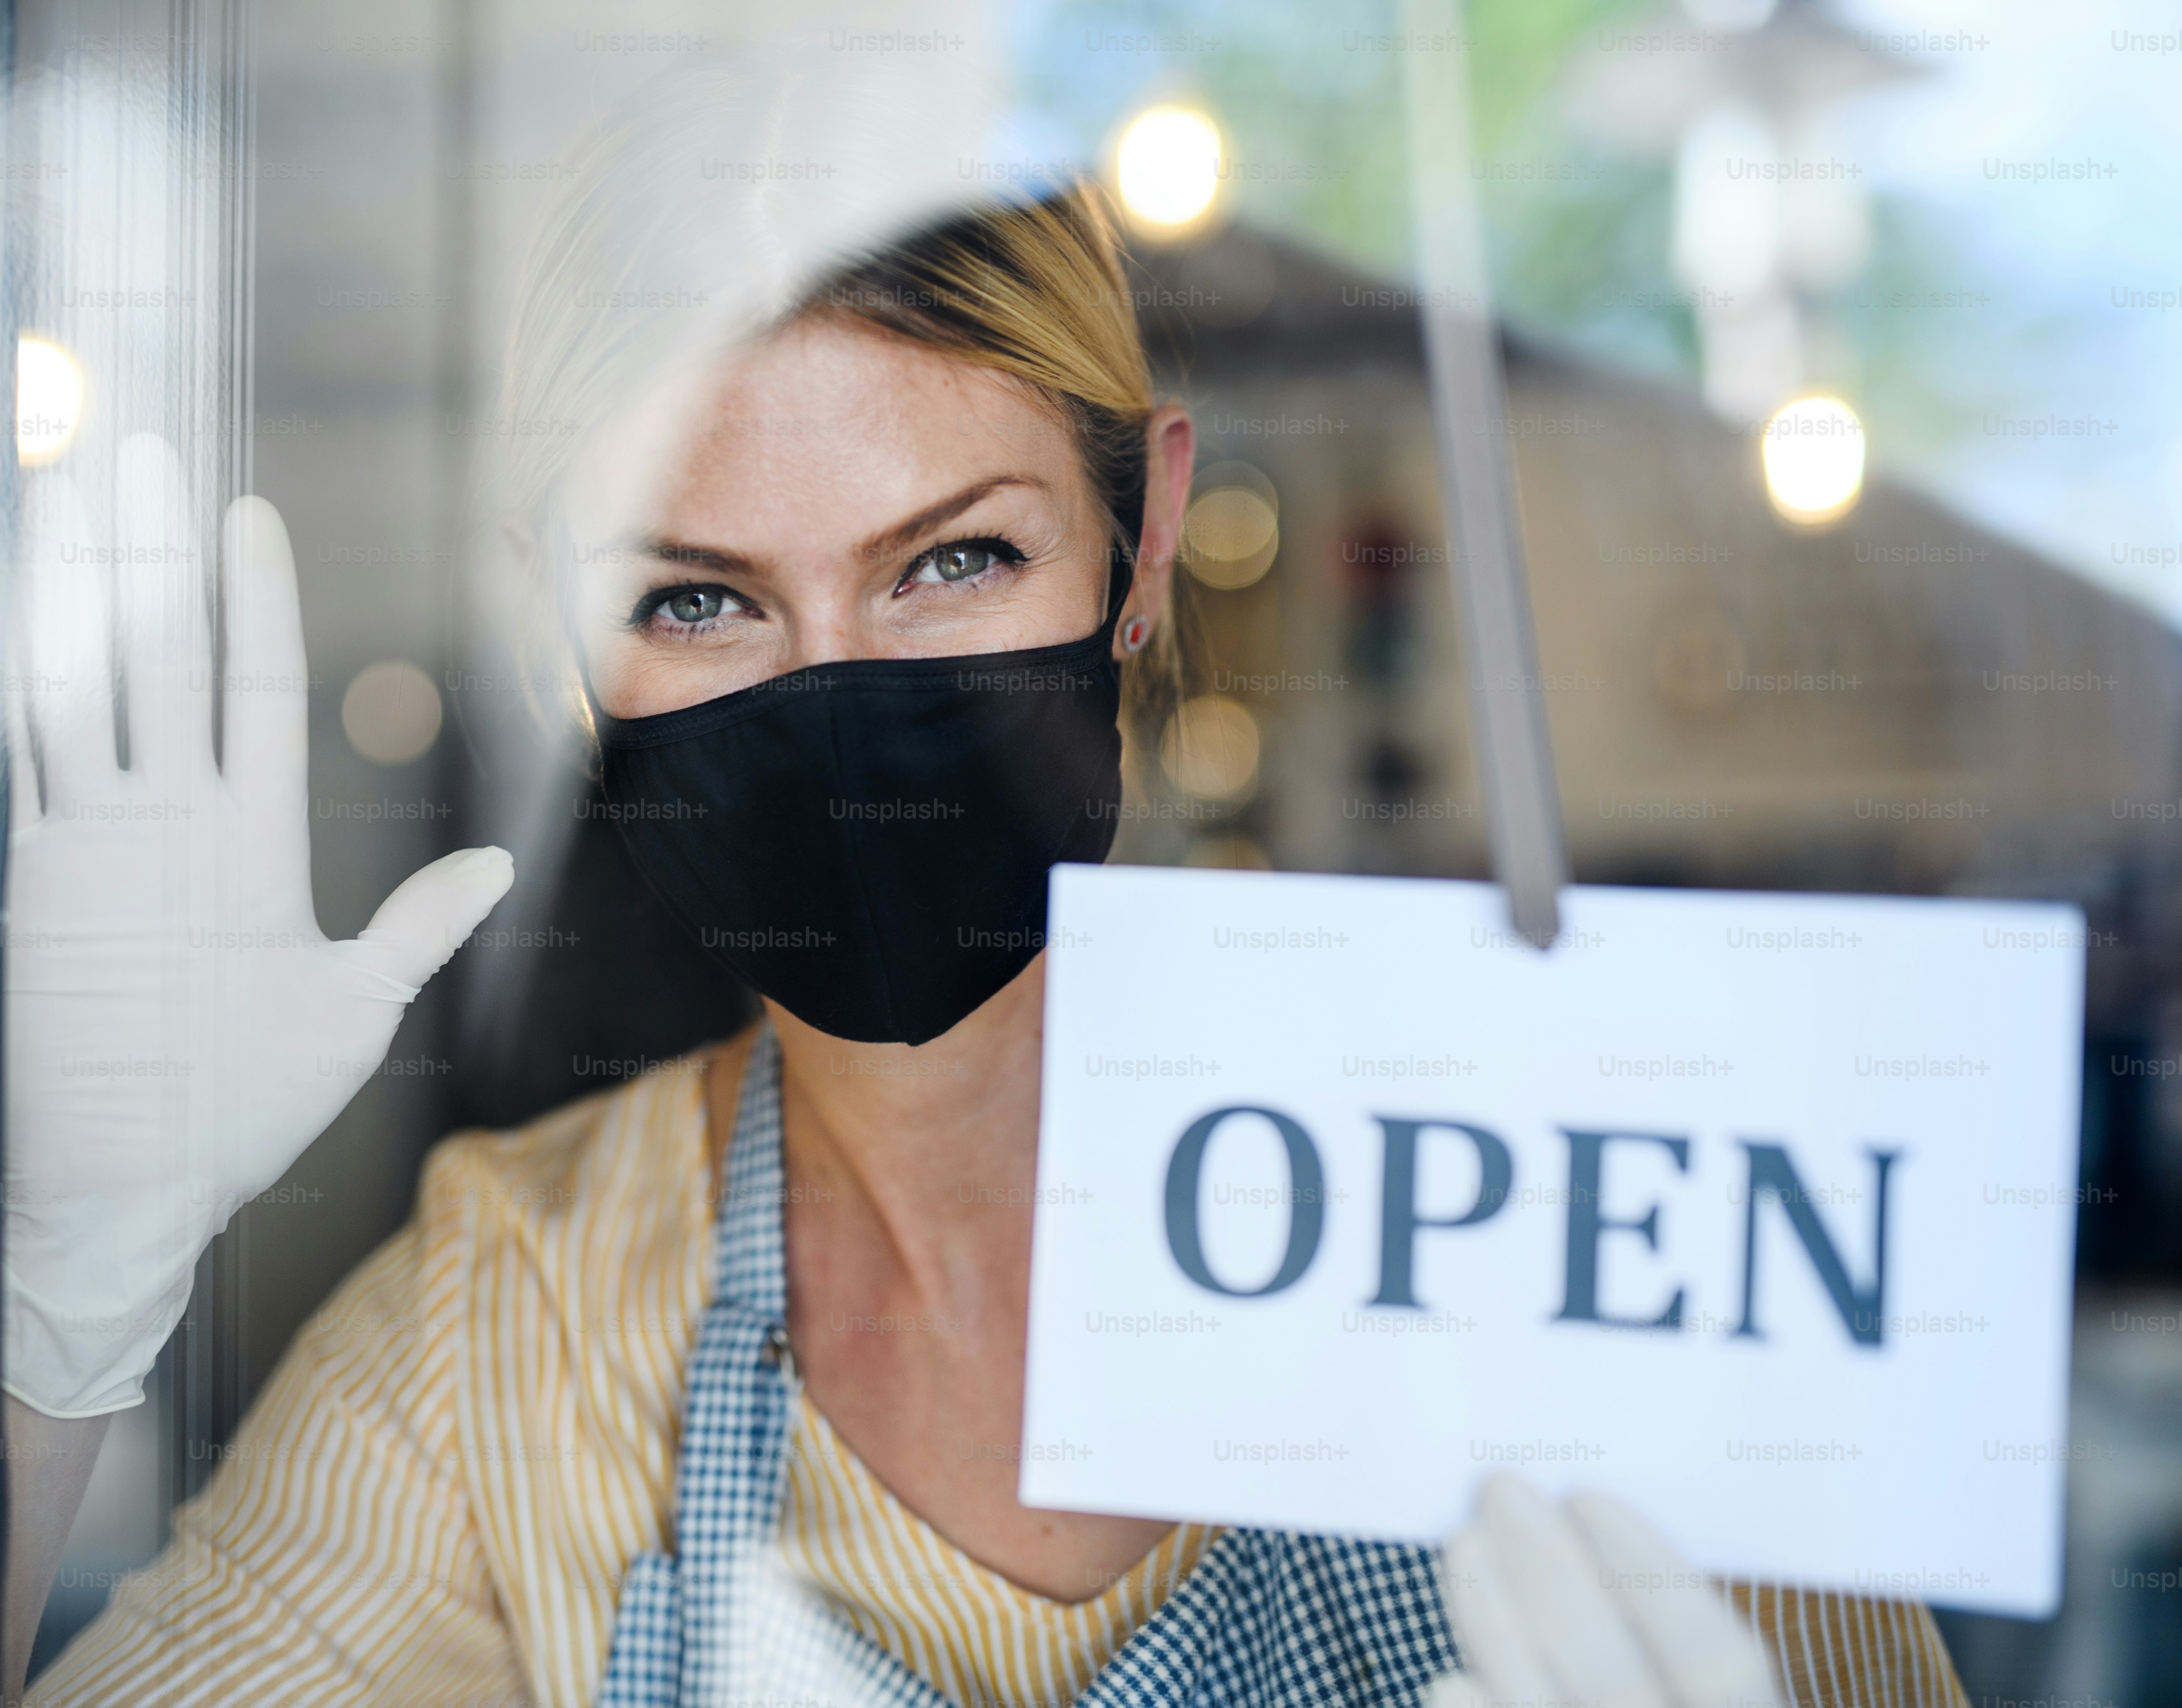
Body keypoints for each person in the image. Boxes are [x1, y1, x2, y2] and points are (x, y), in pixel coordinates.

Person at [5, 60, 1974, 1708]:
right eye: (694, 598)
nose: (838, 696)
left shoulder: (1580, 1218)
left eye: (951, 561)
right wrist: (48, 1318)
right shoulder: (505, 1324)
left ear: (1140, 539)